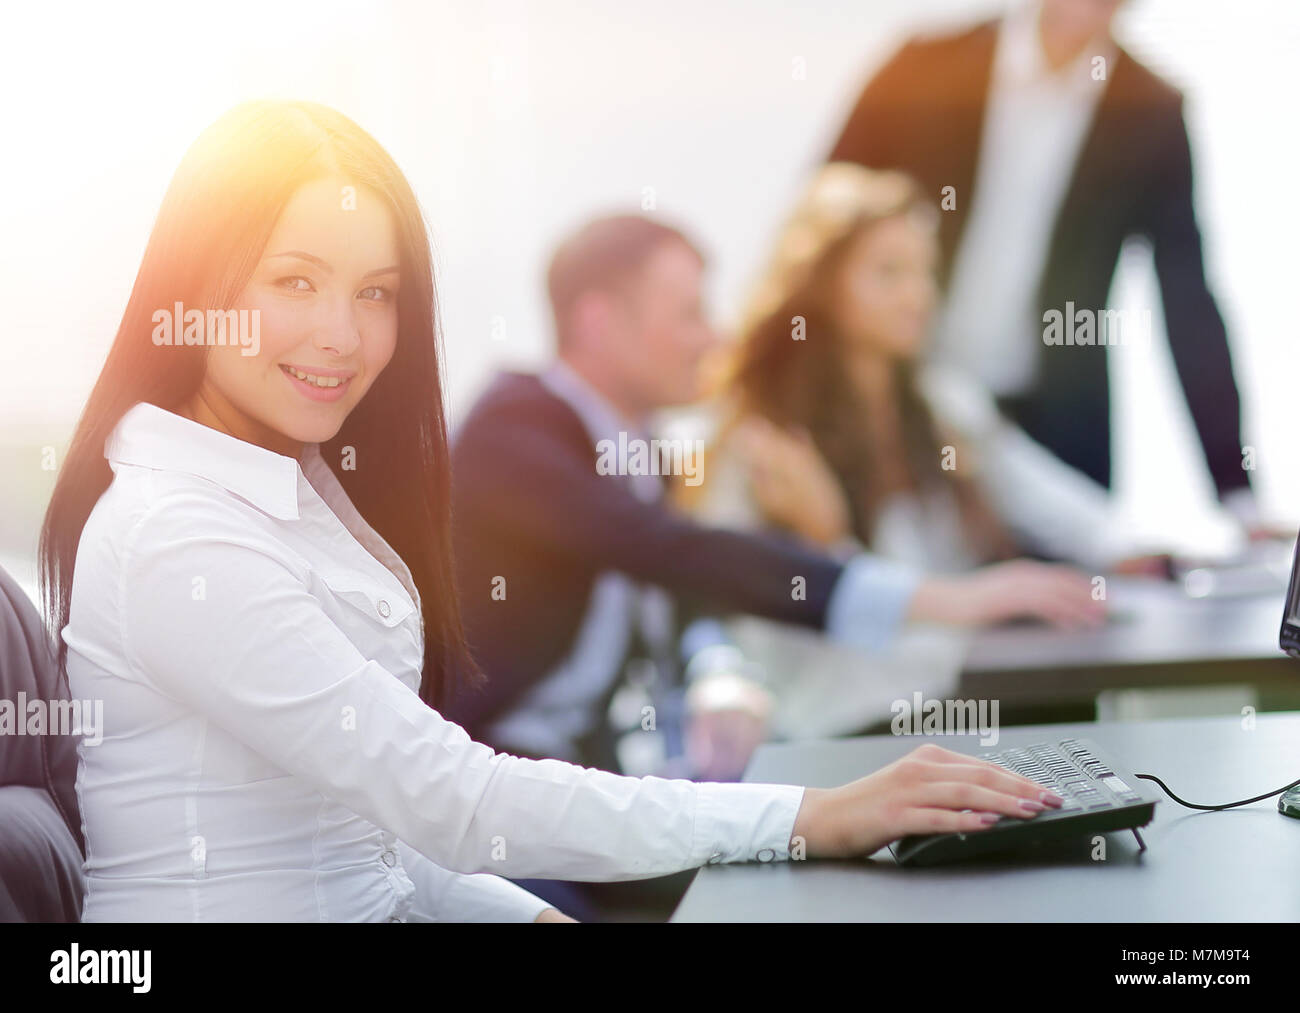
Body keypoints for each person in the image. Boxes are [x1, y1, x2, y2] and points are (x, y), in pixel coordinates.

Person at [39, 101, 1061, 923]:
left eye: (377, 292)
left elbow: (372, 845)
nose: (341, 335)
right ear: (199, 282)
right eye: (295, 280)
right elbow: (452, 797)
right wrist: (809, 814)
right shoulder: (181, 534)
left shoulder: (296, 490)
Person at [448, 212, 1105, 785]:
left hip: (585, 776)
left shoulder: (639, 446)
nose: (714, 338)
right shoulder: (513, 430)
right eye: (690, 314)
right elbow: (676, 552)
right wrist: (955, 598)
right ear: (598, 322)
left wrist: (718, 671)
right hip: (482, 784)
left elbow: (685, 604)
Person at [685, 164, 1163, 735]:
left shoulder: (941, 405)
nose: (917, 295)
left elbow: (1050, 500)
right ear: (822, 284)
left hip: (941, 692)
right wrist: (826, 536)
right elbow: (737, 601)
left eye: (924, 273)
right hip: (835, 719)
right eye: (889, 273)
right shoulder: (761, 432)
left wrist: (1144, 552)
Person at [827, 0, 1265, 535]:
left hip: (1058, 431)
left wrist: (1236, 488)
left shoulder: (1149, 107)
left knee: (1080, 591)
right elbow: (821, 223)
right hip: (897, 411)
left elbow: (1187, 298)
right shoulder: (925, 67)